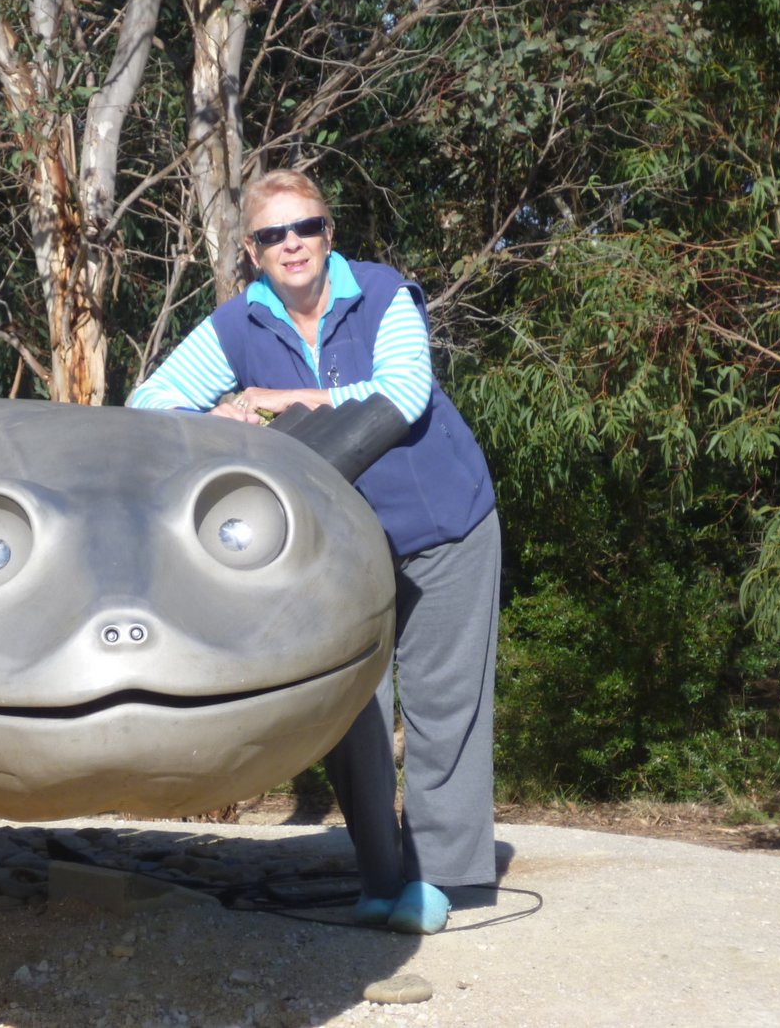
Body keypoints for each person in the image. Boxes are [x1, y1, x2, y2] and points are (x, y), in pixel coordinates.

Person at [127, 167, 500, 934]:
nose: (292, 244)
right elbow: (147, 405)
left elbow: (403, 393)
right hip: (334, 547)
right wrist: (224, 421)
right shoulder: (239, 326)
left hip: (444, 524)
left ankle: (447, 882)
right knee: (347, 708)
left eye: (307, 228)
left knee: (443, 703)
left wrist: (278, 400)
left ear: (330, 234)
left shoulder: (382, 291)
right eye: (273, 235)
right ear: (252, 251)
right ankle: (381, 877)